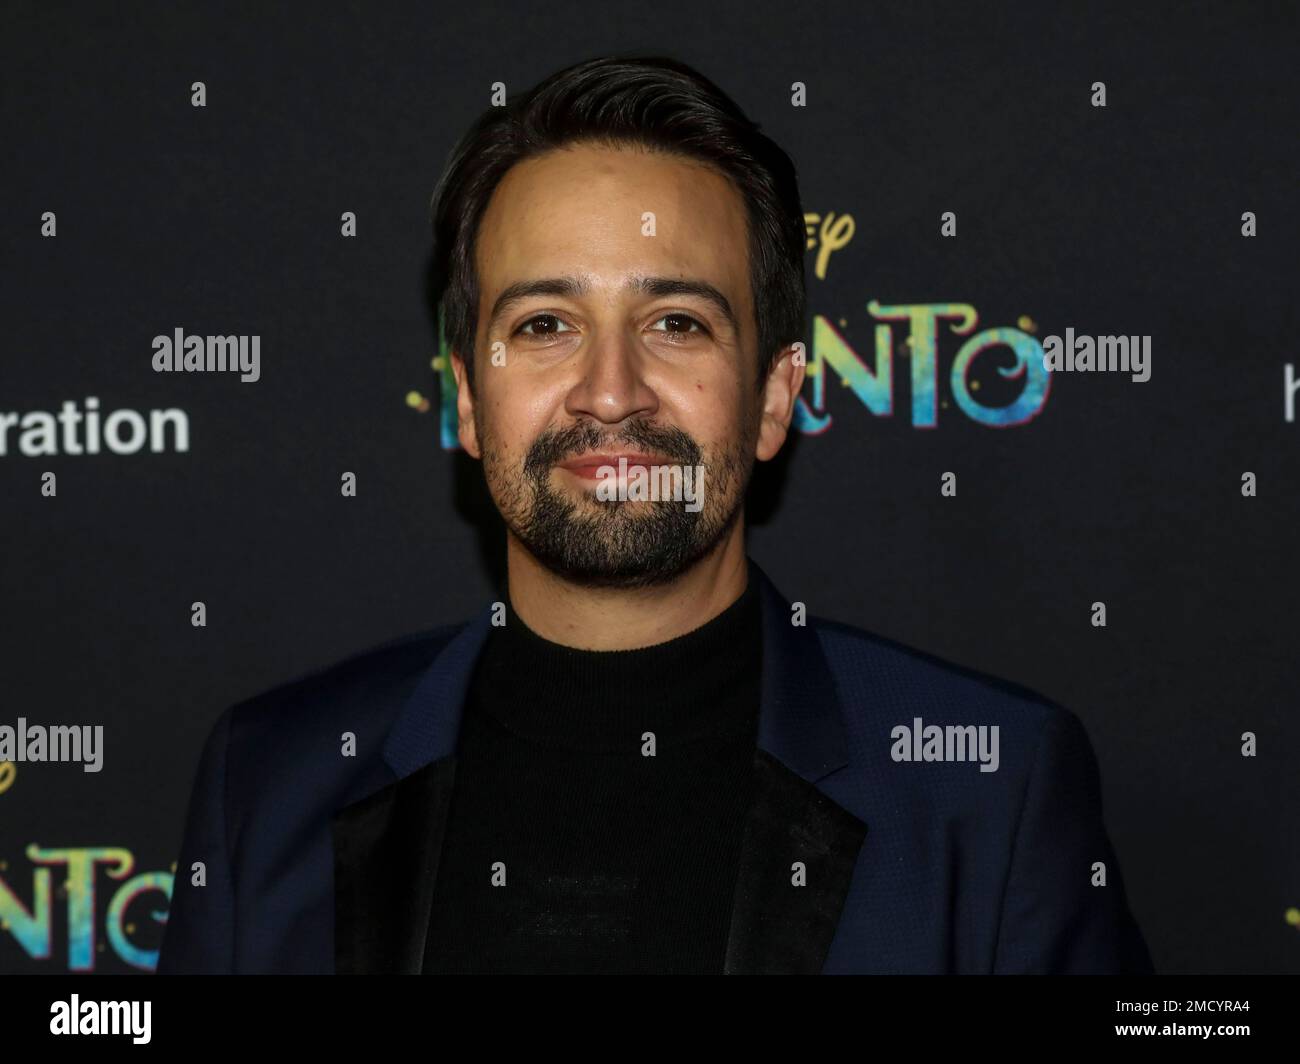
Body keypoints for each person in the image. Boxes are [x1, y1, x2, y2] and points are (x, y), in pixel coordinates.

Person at [157, 54, 1154, 974]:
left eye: (676, 322)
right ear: (466, 396)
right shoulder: (272, 783)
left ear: (772, 395)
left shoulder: (988, 790)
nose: (609, 391)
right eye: (544, 324)